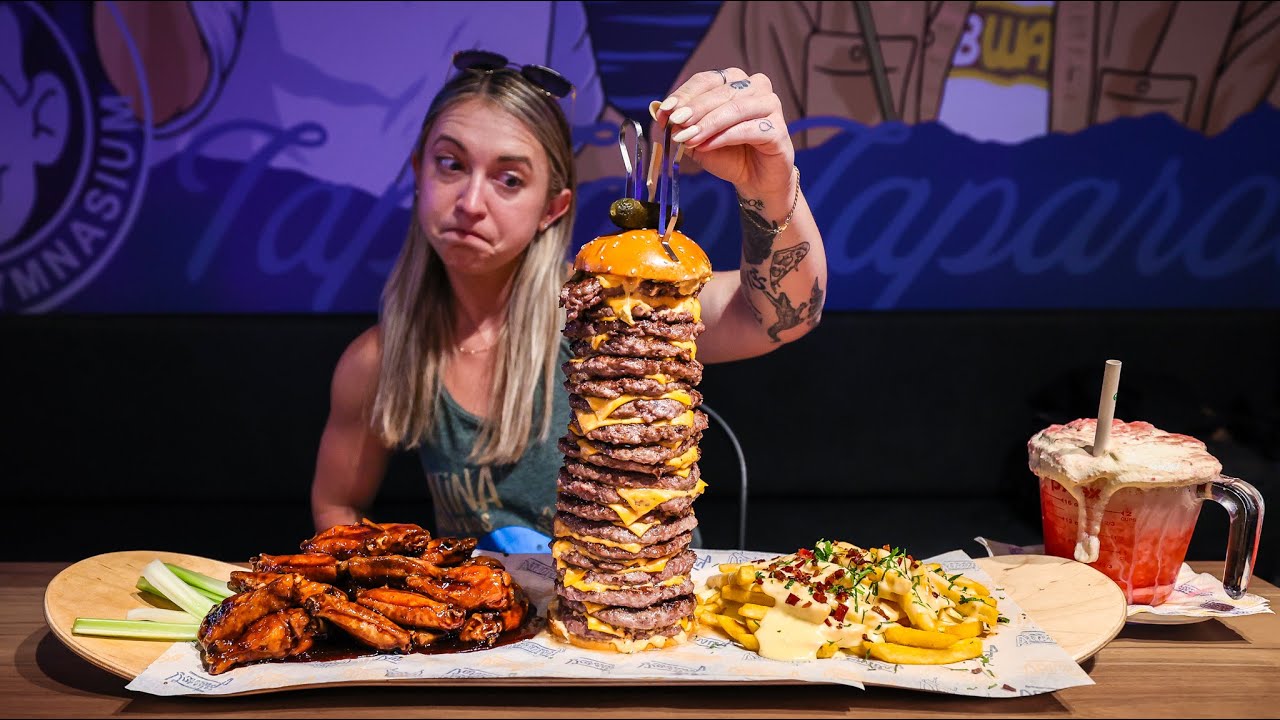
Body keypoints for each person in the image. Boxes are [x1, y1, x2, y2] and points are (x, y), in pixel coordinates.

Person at [310, 50, 828, 553]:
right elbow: (338, 507)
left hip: (642, 614)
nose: (470, 203)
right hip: (499, 634)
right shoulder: (377, 361)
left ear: (552, 208)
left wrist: (773, 186)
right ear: (419, 171)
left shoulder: (609, 309)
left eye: (509, 179)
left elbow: (777, 315)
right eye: (450, 164)